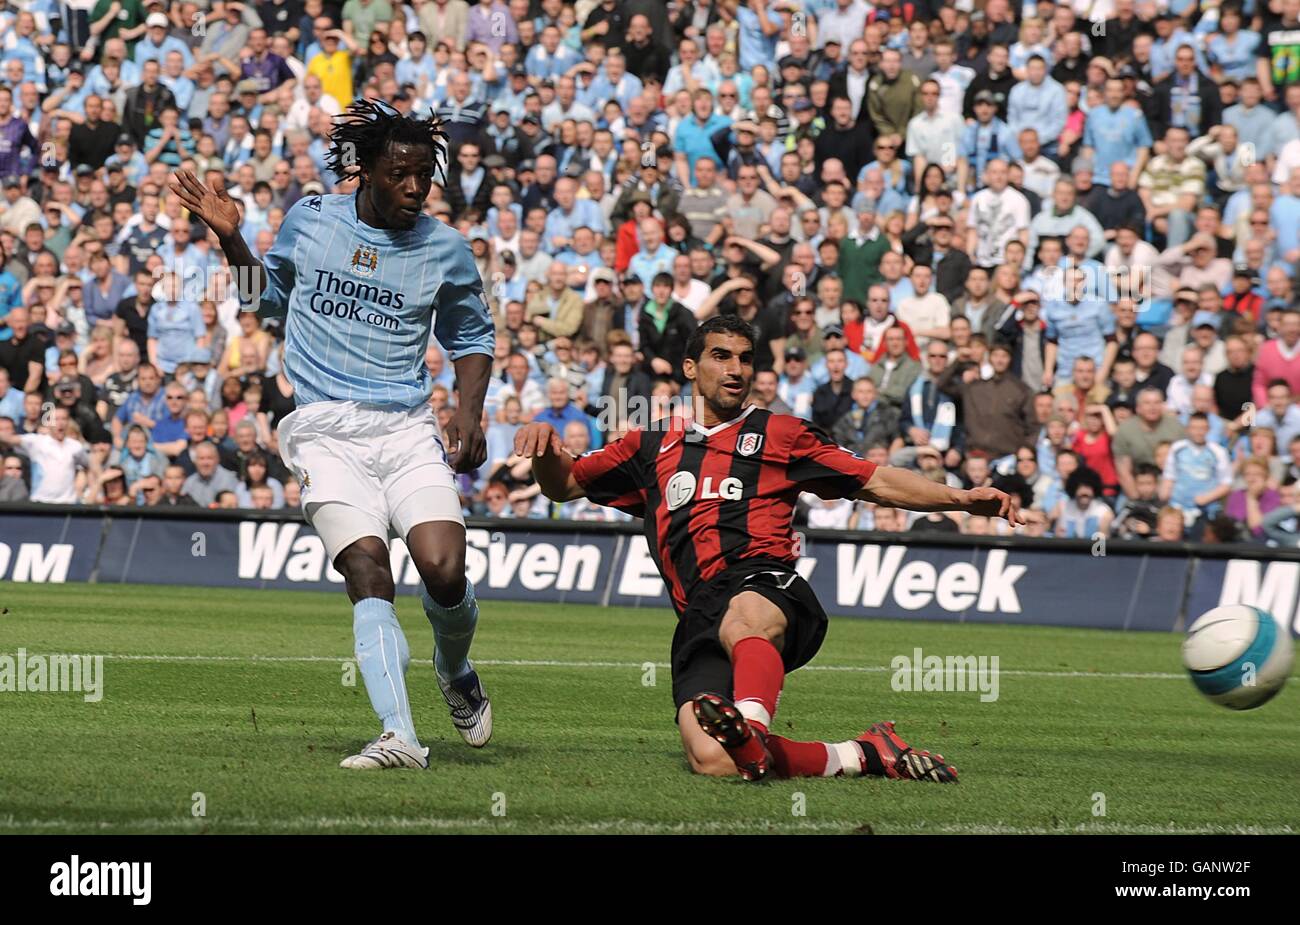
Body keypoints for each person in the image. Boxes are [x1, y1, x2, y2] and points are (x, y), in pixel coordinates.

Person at [513, 314, 1022, 783]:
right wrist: (542, 449)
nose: (736, 369)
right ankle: (865, 753)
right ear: (690, 367)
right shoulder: (648, 446)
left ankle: (751, 727)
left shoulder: (781, 434)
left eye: (745, 358)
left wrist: (957, 498)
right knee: (713, 761)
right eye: (721, 356)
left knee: (744, 619)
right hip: (697, 614)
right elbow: (566, 486)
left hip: (764, 583)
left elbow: (875, 480)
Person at [169, 100, 495, 771]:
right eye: (400, 174)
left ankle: (455, 667)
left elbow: (470, 336)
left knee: (443, 566)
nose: (413, 188)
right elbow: (265, 302)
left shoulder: (445, 249)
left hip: (405, 428)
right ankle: (399, 735)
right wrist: (232, 239)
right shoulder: (312, 222)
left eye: (423, 177)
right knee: (367, 567)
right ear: (367, 172)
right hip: (323, 430)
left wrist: (470, 410)